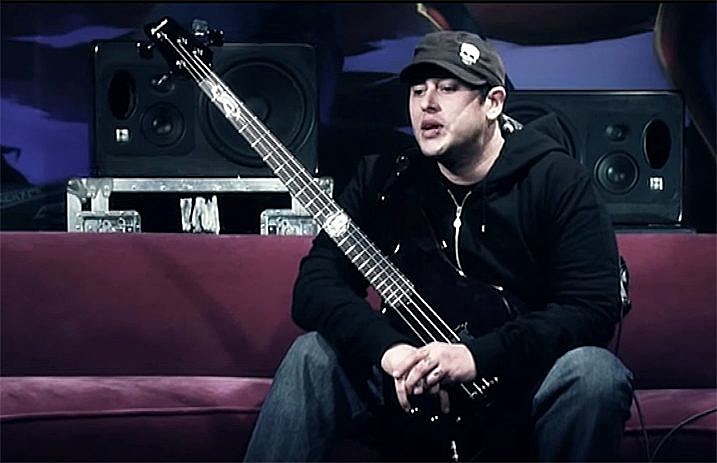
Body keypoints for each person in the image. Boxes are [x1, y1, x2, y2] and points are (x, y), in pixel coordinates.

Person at [243, 30, 634, 462]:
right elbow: (316, 286)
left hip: (518, 389)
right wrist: (390, 351)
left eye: (448, 88)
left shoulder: (557, 180)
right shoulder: (382, 178)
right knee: (311, 356)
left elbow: (593, 307)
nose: (426, 104)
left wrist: (476, 357)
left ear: (493, 103)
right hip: (406, 385)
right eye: (417, 91)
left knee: (595, 374)